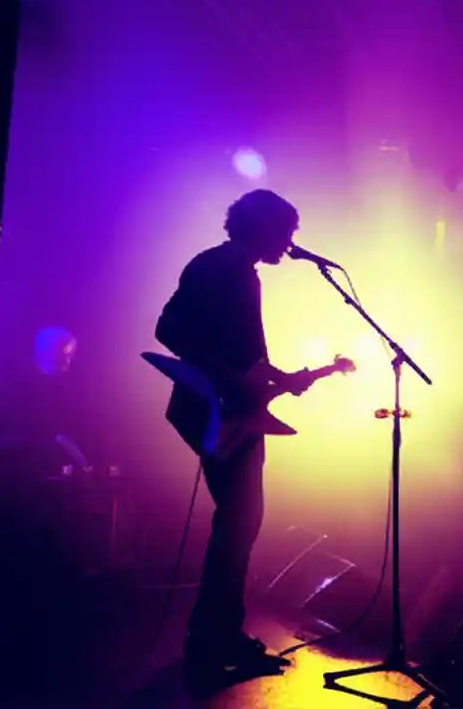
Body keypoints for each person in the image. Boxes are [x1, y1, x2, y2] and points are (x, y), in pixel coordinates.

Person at [154, 189, 318, 675]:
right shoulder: (222, 268)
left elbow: (245, 358)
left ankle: (216, 635)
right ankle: (214, 640)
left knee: (238, 522)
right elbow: (168, 330)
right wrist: (225, 376)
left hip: (228, 407)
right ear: (262, 227)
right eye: (285, 231)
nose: (289, 242)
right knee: (239, 522)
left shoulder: (235, 270)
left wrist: (281, 378)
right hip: (218, 410)